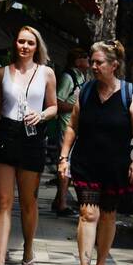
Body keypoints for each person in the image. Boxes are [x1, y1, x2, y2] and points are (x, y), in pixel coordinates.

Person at [58, 40, 133, 265]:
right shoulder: (85, 92)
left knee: (108, 215)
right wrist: (64, 157)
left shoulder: (129, 93)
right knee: (88, 212)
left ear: (113, 65)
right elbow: (72, 126)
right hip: (86, 163)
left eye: (99, 62)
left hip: (116, 166)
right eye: (92, 61)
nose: (94, 66)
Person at [0, 26, 58, 265]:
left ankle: (28, 250)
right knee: (2, 201)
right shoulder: (2, 73)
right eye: (21, 41)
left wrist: (41, 114)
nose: (24, 46)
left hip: (32, 136)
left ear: (37, 47)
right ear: (15, 44)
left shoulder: (46, 73)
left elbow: (54, 106)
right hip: (6, 134)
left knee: (28, 202)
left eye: (30, 43)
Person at [51, 47, 90, 217]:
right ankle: (62, 204)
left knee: (68, 167)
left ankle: (58, 200)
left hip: (76, 129)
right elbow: (57, 103)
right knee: (65, 166)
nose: (89, 61)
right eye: (85, 57)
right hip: (66, 127)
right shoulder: (68, 77)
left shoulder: (81, 77)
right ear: (77, 61)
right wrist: (78, 108)